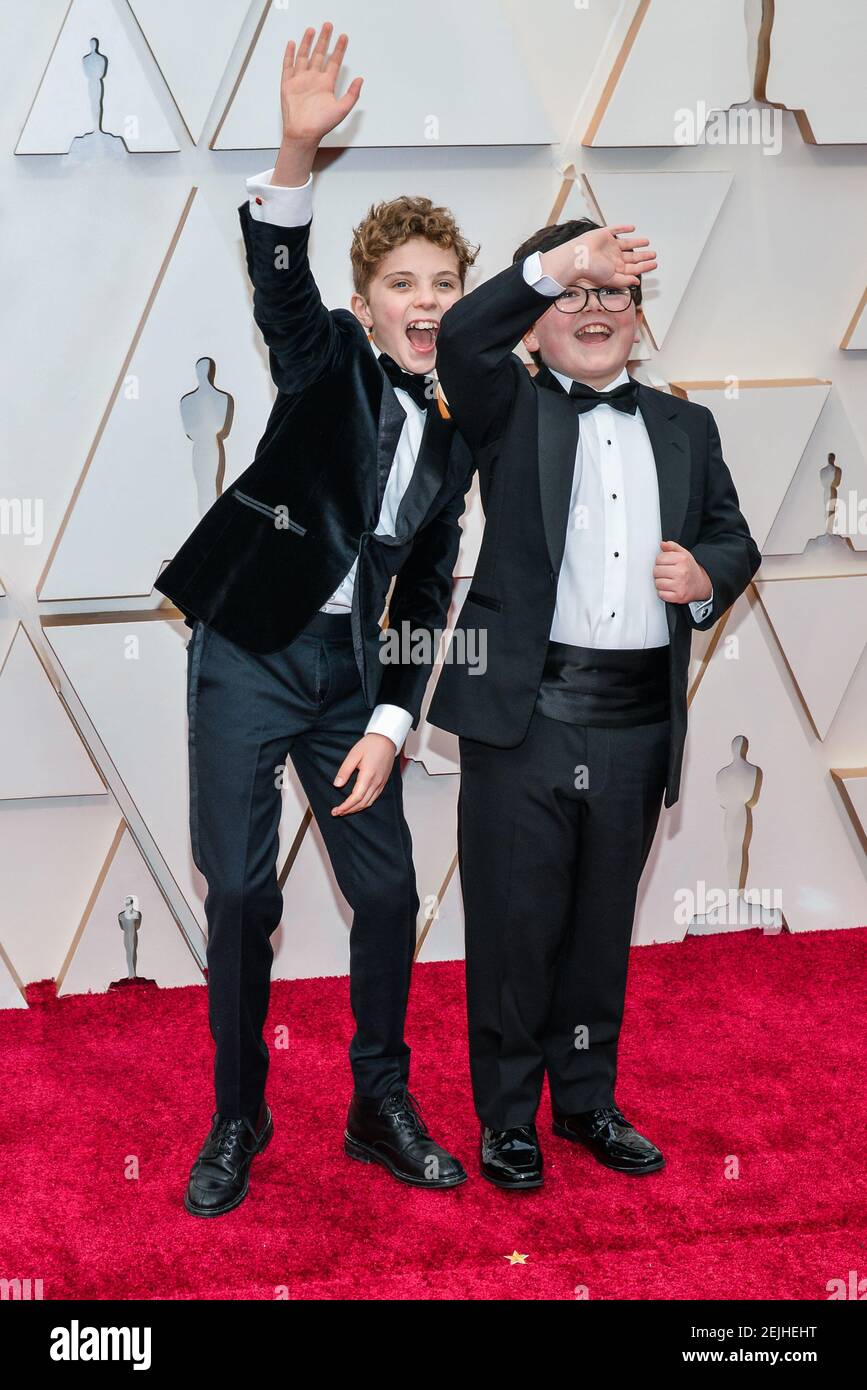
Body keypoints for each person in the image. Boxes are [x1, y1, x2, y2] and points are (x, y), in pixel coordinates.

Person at [155, 24, 477, 1215]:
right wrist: (295, 144)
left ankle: (375, 1103)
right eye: (405, 282)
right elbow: (279, 275)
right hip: (248, 648)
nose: (426, 301)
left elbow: (431, 588)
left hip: (350, 678)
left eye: (444, 285)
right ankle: (239, 1113)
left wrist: (393, 718)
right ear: (366, 298)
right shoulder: (326, 356)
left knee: (387, 894)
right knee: (241, 892)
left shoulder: (459, 433)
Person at [428, 217, 762, 1189]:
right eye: (575, 294)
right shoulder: (506, 404)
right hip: (525, 715)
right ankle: (507, 1118)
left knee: (598, 926)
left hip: (635, 720)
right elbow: (460, 340)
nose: (595, 309)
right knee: (514, 923)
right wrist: (551, 266)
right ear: (536, 323)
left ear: (642, 319)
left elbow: (732, 539)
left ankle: (584, 1101)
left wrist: (706, 575)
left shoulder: (687, 427)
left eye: (614, 292)